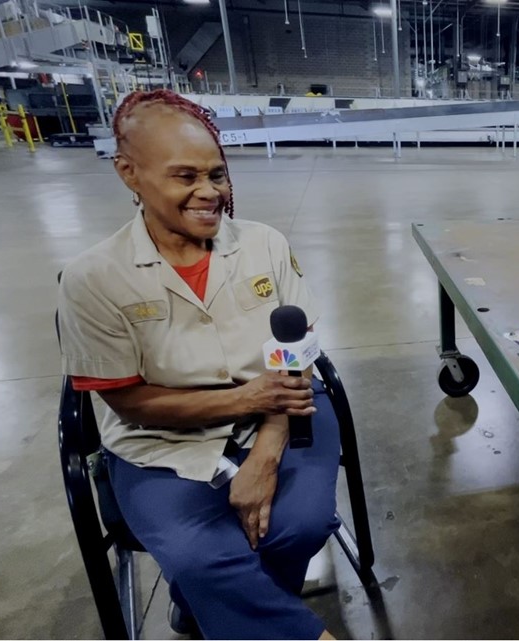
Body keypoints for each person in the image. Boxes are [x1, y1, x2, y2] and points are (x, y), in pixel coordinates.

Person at [56, 90, 337, 640]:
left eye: (217, 174)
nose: (209, 192)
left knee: (297, 529)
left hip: (286, 413)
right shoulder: (93, 278)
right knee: (199, 557)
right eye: (185, 177)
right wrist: (244, 400)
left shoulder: (264, 246)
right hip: (159, 439)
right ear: (128, 173)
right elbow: (128, 402)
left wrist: (266, 453)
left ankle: (207, 614)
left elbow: (294, 360)